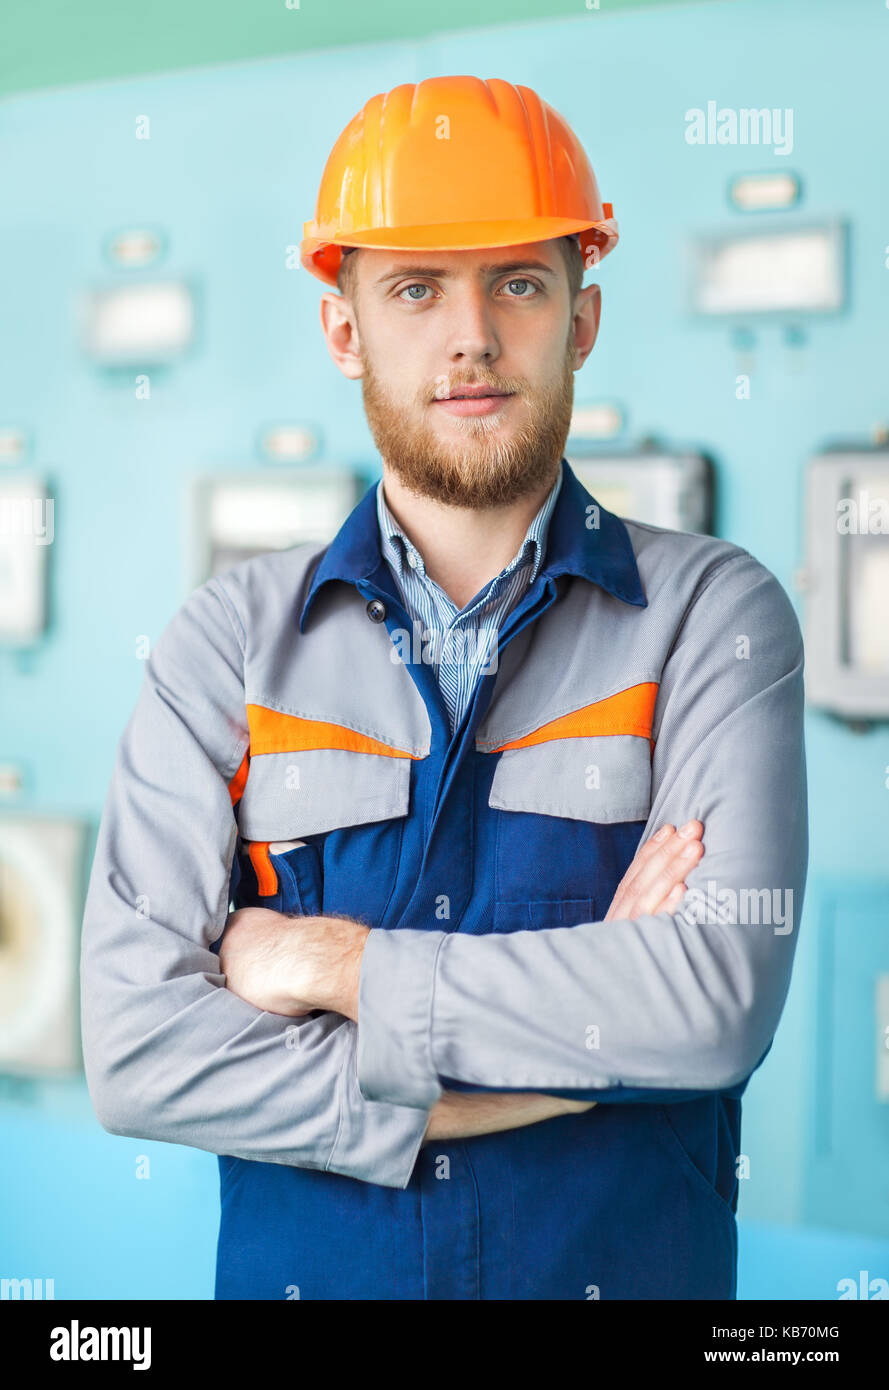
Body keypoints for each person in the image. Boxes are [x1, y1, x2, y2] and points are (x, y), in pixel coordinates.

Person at [80, 75, 808, 1300]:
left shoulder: (712, 621)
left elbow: (712, 1005)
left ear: (581, 317)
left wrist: (328, 965)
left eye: (517, 282)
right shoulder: (225, 647)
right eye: (416, 288)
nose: (470, 334)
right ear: (346, 330)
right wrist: (576, 1057)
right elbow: (141, 1054)